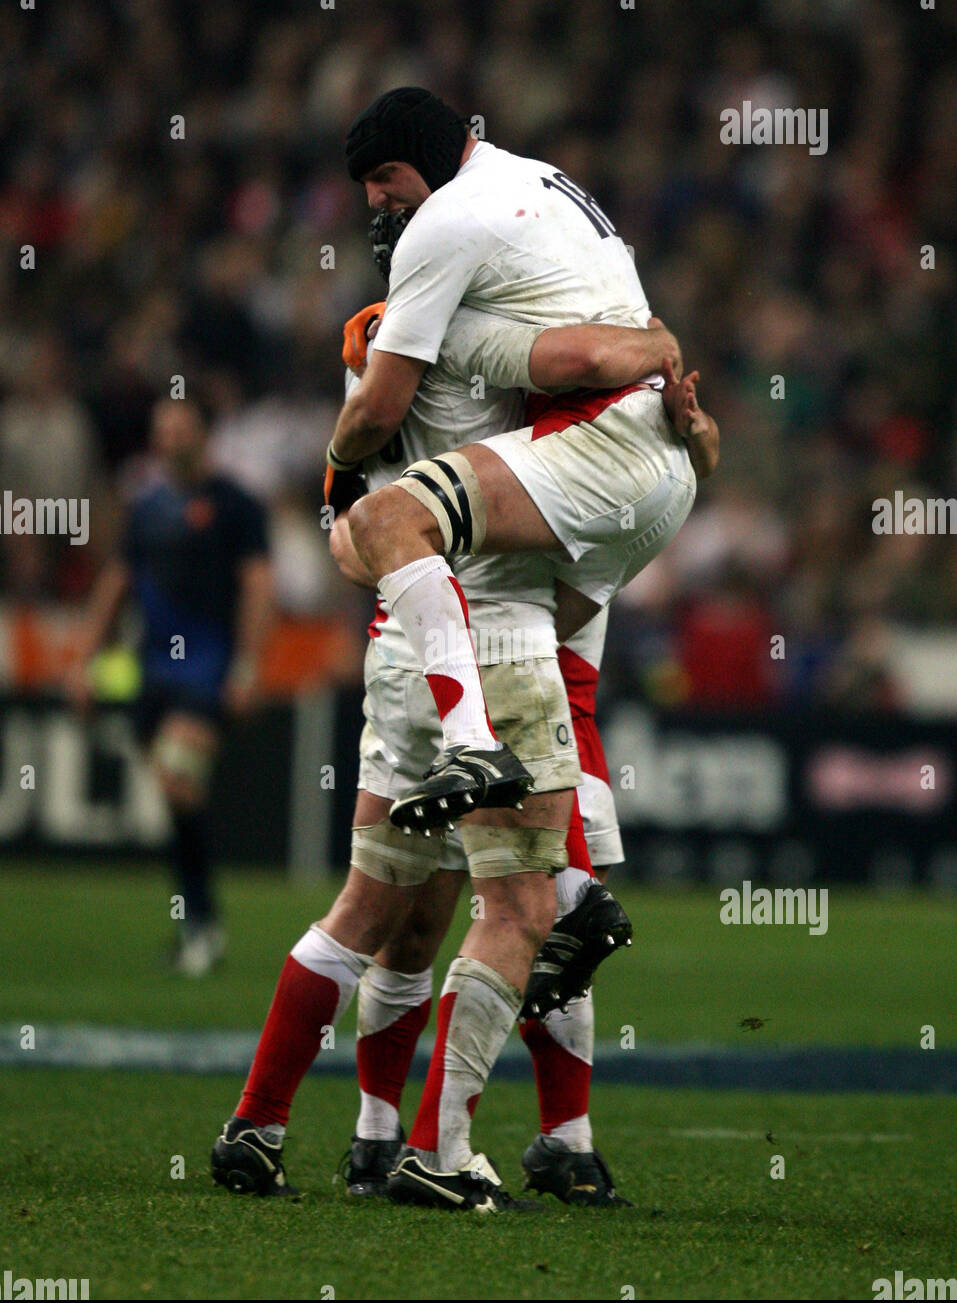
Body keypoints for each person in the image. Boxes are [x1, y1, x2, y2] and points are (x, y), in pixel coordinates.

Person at [211, 215, 716, 1210]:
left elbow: (361, 520)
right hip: (505, 642)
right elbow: (591, 375)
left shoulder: (389, 355)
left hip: (403, 653)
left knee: (381, 909)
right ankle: (445, 1149)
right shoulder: (501, 353)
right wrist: (664, 366)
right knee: (529, 907)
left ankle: (271, 1124)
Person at [326, 89, 709, 841]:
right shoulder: (538, 181)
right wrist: (662, 351)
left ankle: (473, 750)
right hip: (663, 463)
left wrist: (335, 471)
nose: (375, 198)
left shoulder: (438, 251)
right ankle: (584, 875)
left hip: (594, 454)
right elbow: (610, 344)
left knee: (396, 526)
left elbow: (376, 413)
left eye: (384, 177)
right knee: (558, 669)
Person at [65, 398, 274, 976]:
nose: (167, 438)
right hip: (151, 672)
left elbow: (258, 586)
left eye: (180, 428)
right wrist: (84, 661)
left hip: (207, 670)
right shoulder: (148, 506)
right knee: (174, 793)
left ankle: (202, 928)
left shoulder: (237, 506)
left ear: (204, 434)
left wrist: (248, 667)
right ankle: (195, 927)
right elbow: (118, 581)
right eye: (161, 429)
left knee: (180, 783)